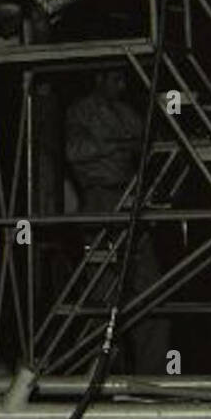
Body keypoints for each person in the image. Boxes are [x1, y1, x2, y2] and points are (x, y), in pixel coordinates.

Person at [65, 68, 171, 374]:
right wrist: (113, 144)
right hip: (99, 199)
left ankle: (155, 376)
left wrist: (124, 145)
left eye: (123, 79)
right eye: (115, 77)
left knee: (149, 290)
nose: (121, 84)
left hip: (129, 198)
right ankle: (99, 375)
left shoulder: (127, 112)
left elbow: (145, 143)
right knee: (102, 293)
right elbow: (74, 151)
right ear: (99, 78)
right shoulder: (81, 110)